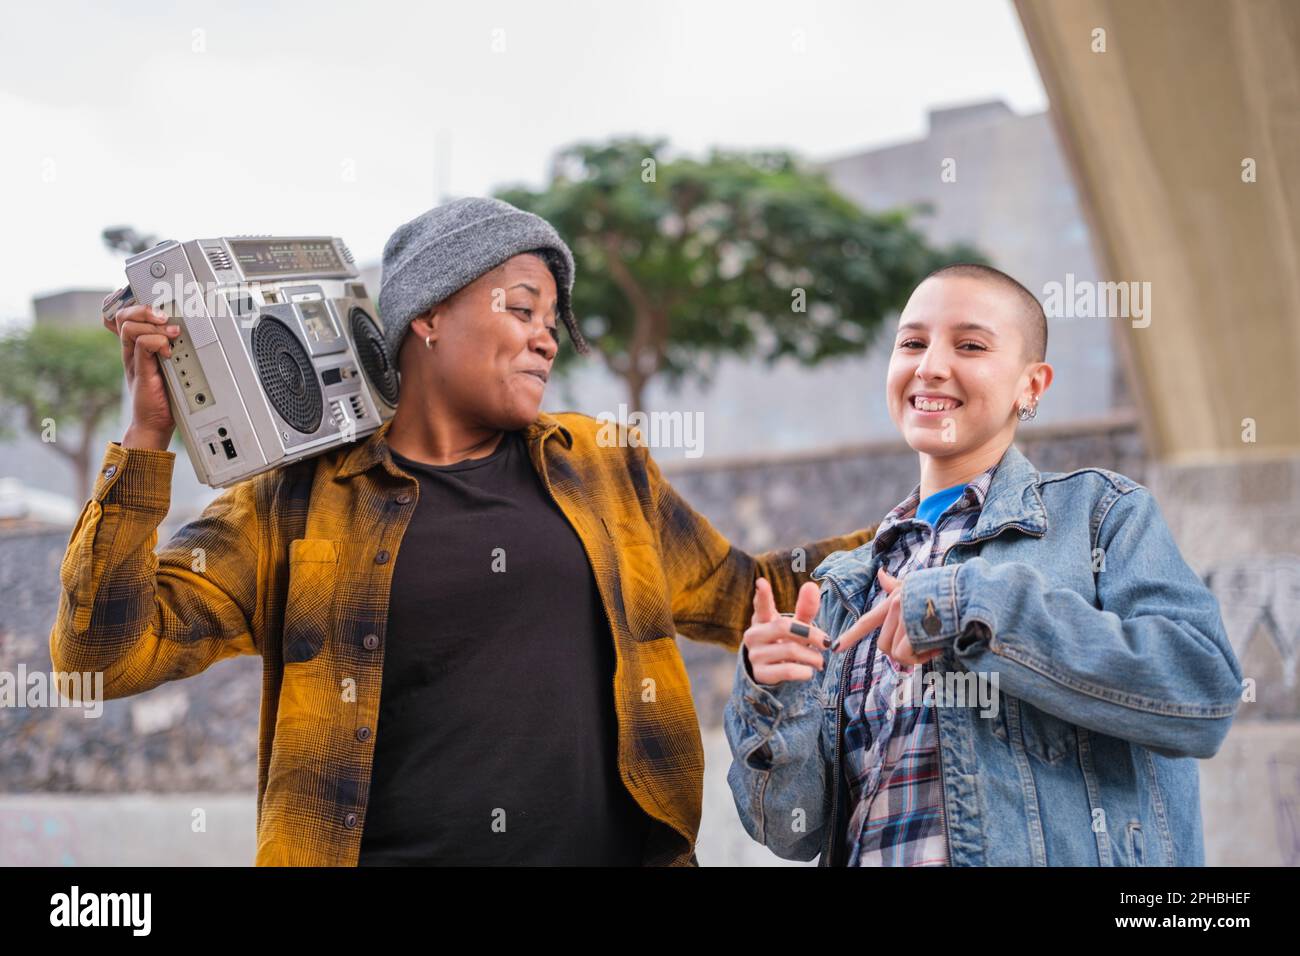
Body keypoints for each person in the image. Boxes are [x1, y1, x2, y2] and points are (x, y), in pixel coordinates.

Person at [52, 196, 877, 866]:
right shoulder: (295, 499)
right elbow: (101, 656)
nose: (547, 335)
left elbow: (751, 590)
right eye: (522, 307)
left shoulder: (601, 463)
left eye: (555, 319)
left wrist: (924, 522)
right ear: (428, 316)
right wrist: (149, 438)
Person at [724, 262, 1243, 866]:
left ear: (1032, 386)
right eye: (912, 343)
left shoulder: (1099, 514)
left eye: (969, 345)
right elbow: (793, 833)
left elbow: (1201, 695)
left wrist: (965, 605)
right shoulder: (842, 586)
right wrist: (772, 694)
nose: (931, 365)